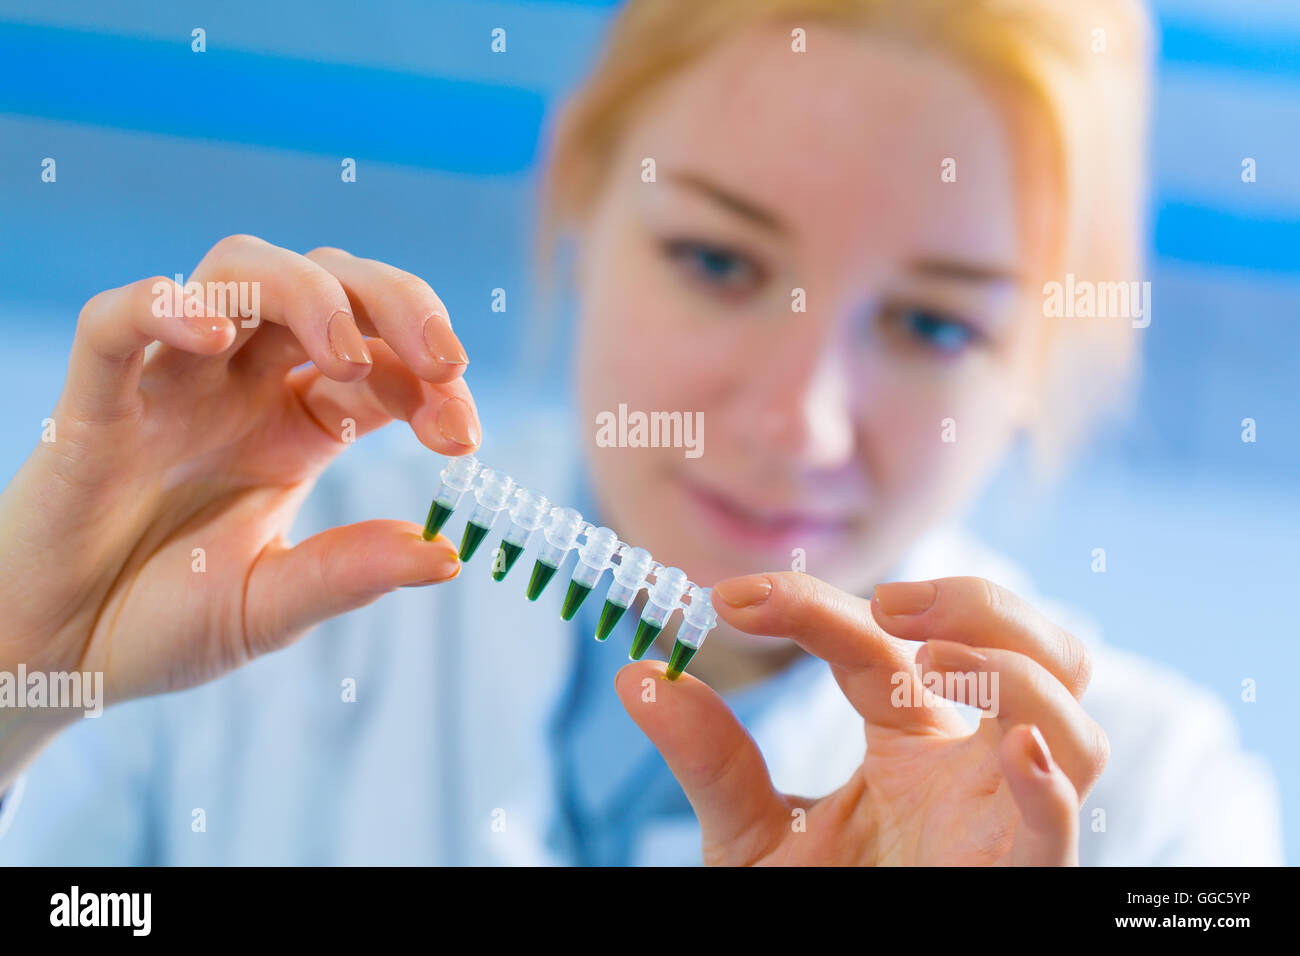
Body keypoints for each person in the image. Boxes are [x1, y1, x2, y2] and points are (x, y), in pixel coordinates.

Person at [0, 0, 1282, 865]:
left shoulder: (1159, 816)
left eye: (935, 327)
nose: (797, 417)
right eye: (719, 258)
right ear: (581, 193)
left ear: (1040, 356)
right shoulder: (240, 572)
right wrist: (19, 670)